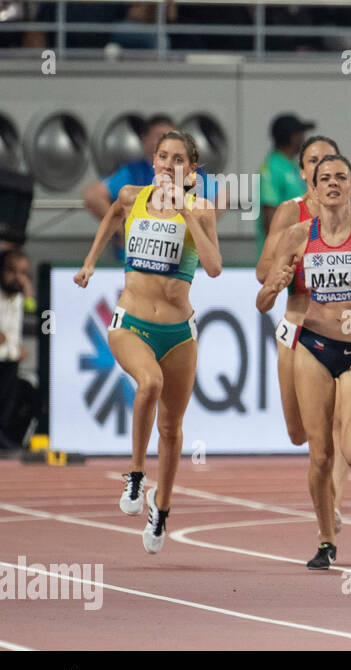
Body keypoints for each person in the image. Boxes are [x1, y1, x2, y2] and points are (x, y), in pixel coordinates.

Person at [74, 131, 222, 554]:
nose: (169, 165)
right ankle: (136, 474)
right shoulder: (131, 196)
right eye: (163, 156)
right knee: (150, 382)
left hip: (178, 333)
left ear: (190, 170)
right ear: (153, 161)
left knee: (172, 429)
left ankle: (162, 508)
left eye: (178, 159)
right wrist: (89, 262)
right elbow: (110, 217)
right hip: (131, 323)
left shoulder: (201, 208)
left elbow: (213, 267)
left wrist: (186, 211)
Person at [257, 154, 351, 569]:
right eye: (325, 179)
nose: (333, 183)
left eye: (341, 177)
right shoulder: (297, 236)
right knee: (319, 454)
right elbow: (262, 301)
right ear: (313, 190)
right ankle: (325, 538)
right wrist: (276, 287)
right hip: (312, 347)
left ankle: (332, 519)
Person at [83, 114, 221, 257]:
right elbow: (93, 195)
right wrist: (119, 229)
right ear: (145, 141)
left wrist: (202, 231)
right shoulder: (133, 172)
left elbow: (222, 196)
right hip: (137, 258)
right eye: (160, 136)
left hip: (181, 260)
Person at [257, 114, 314, 255]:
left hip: (298, 252)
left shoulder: (291, 166)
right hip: (280, 256)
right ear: (293, 137)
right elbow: (269, 216)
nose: (304, 139)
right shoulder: (271, 168)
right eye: (301, 134)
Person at [0, 248, 33, 448]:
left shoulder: (18, 298)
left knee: (21, 396)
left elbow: (35, 311)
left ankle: (8, 436)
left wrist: (28, 292)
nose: (17, 278)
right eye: (12, 271)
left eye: (23, 273)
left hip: (10, 360)